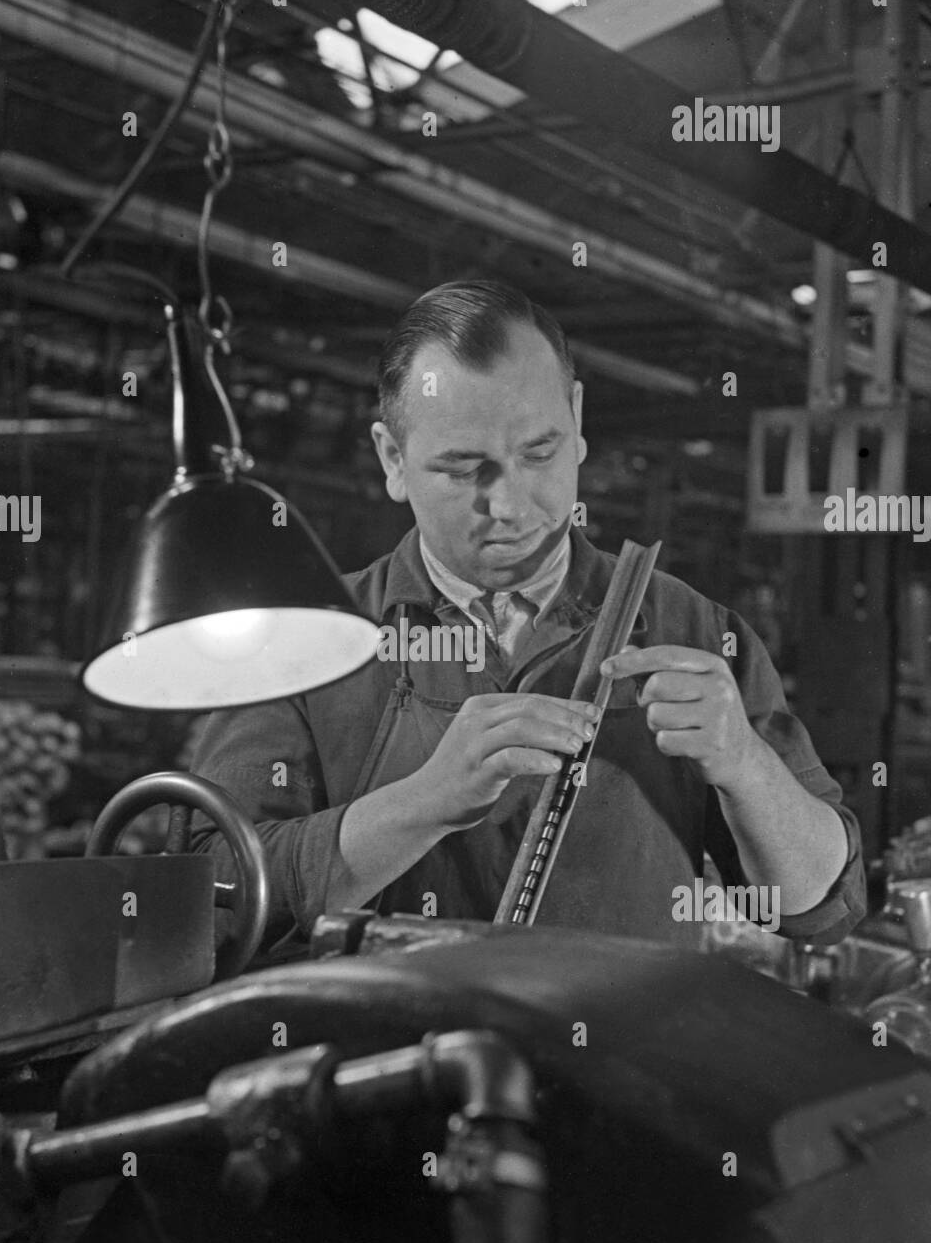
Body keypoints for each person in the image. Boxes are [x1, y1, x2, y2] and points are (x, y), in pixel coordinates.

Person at [190, 280, 865, 955]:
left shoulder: (691, 629)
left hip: (619, 1057)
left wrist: (746, 764)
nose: (509, 506)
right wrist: (424, 801)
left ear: (575, 420)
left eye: (538, 454)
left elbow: (821, 908)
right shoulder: (303, 643)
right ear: (393, 460)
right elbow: (214, 895)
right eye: (461, 470)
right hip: (385, 1057)